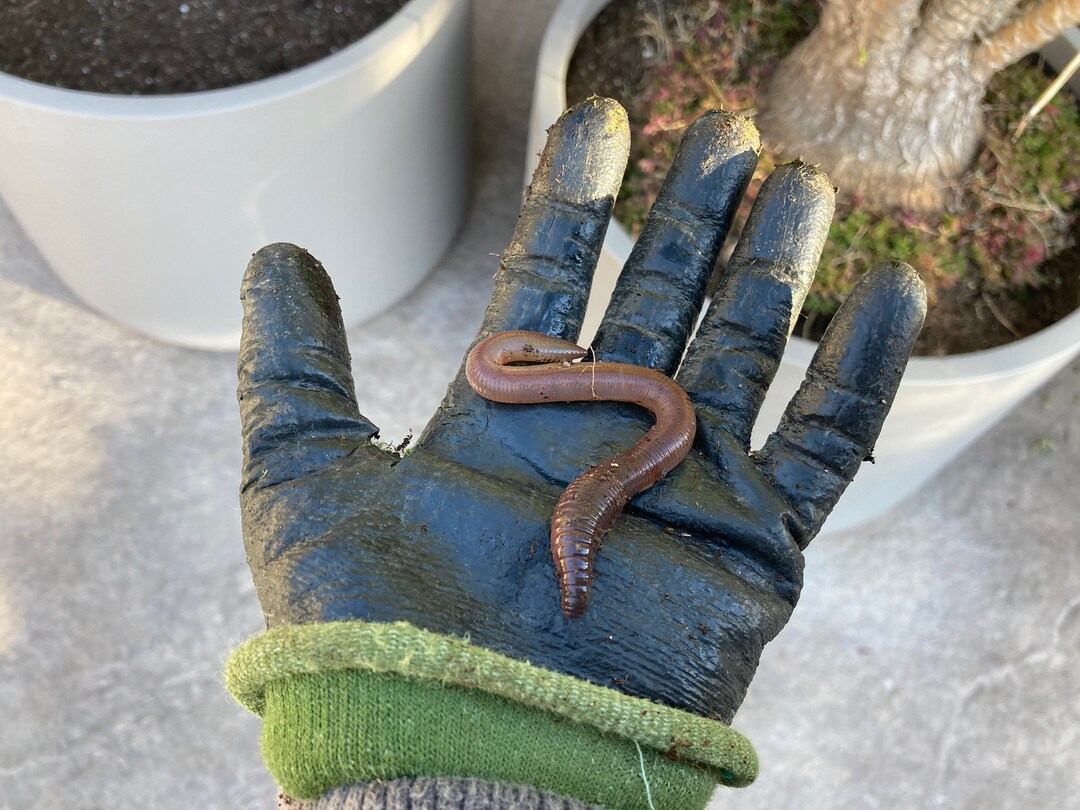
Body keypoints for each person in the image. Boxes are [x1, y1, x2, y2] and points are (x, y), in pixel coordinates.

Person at [224, 97, 926, 810]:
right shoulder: (552, 397)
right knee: (633, 446)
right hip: (623, 427)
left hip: (618, 425)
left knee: (633, 448)